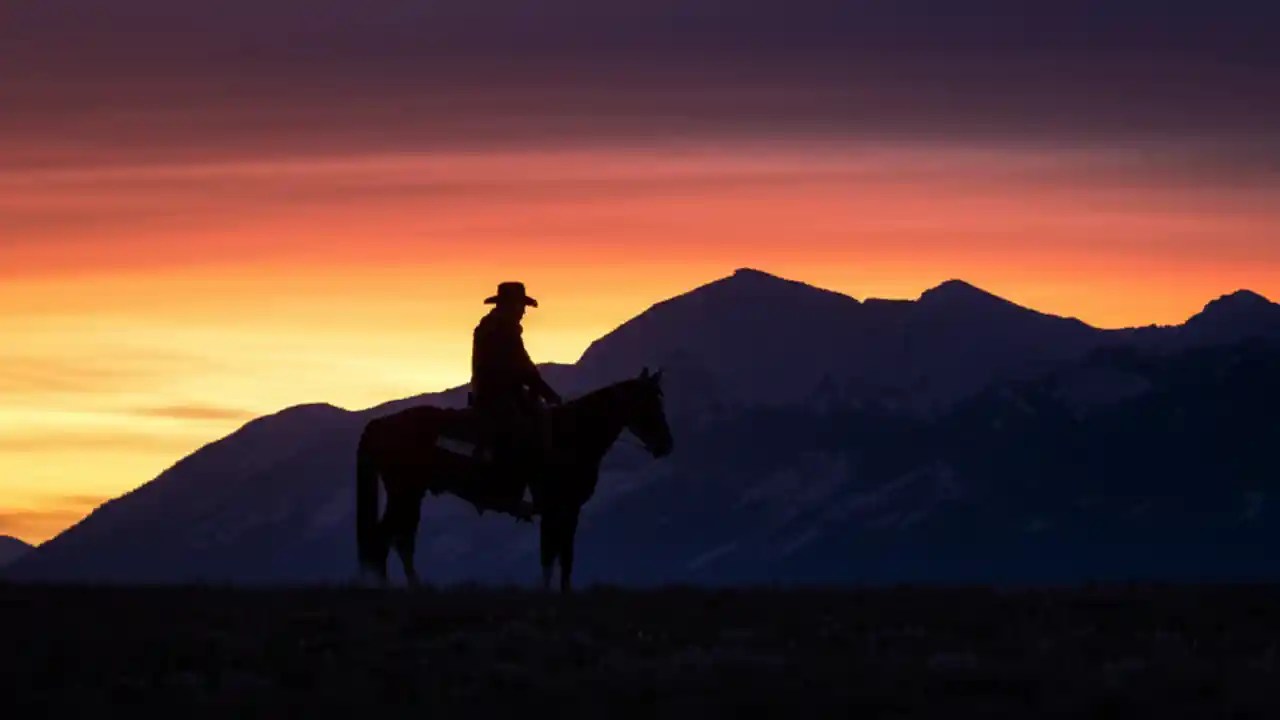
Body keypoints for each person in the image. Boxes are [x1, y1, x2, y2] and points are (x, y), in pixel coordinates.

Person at [468, 281, 562, 516]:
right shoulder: (501, 330)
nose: (523, 312)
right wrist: (545, 392)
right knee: (527, 429)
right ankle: (509, 492)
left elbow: (523, 366)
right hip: (496, 394)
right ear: (510, 306)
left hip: (495, 391)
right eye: (520, 306)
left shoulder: (496, 327)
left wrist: (538, 387)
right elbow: (520, 367)